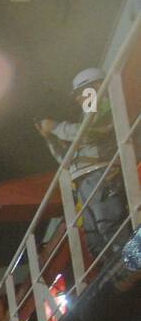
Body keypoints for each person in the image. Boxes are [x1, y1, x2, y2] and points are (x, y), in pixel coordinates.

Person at [37, 67, 128, 254]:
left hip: (100, 172)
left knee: (108, 222)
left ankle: (132, 258)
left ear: (96, 86)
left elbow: (87, 134)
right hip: (83, 179)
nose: (78, 99)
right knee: (93, 234)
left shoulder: (105, 104)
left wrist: (55, 127)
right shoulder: (89, 115)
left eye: (81, 93)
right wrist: (50, 139)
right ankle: (111, 269)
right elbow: (66, 161)